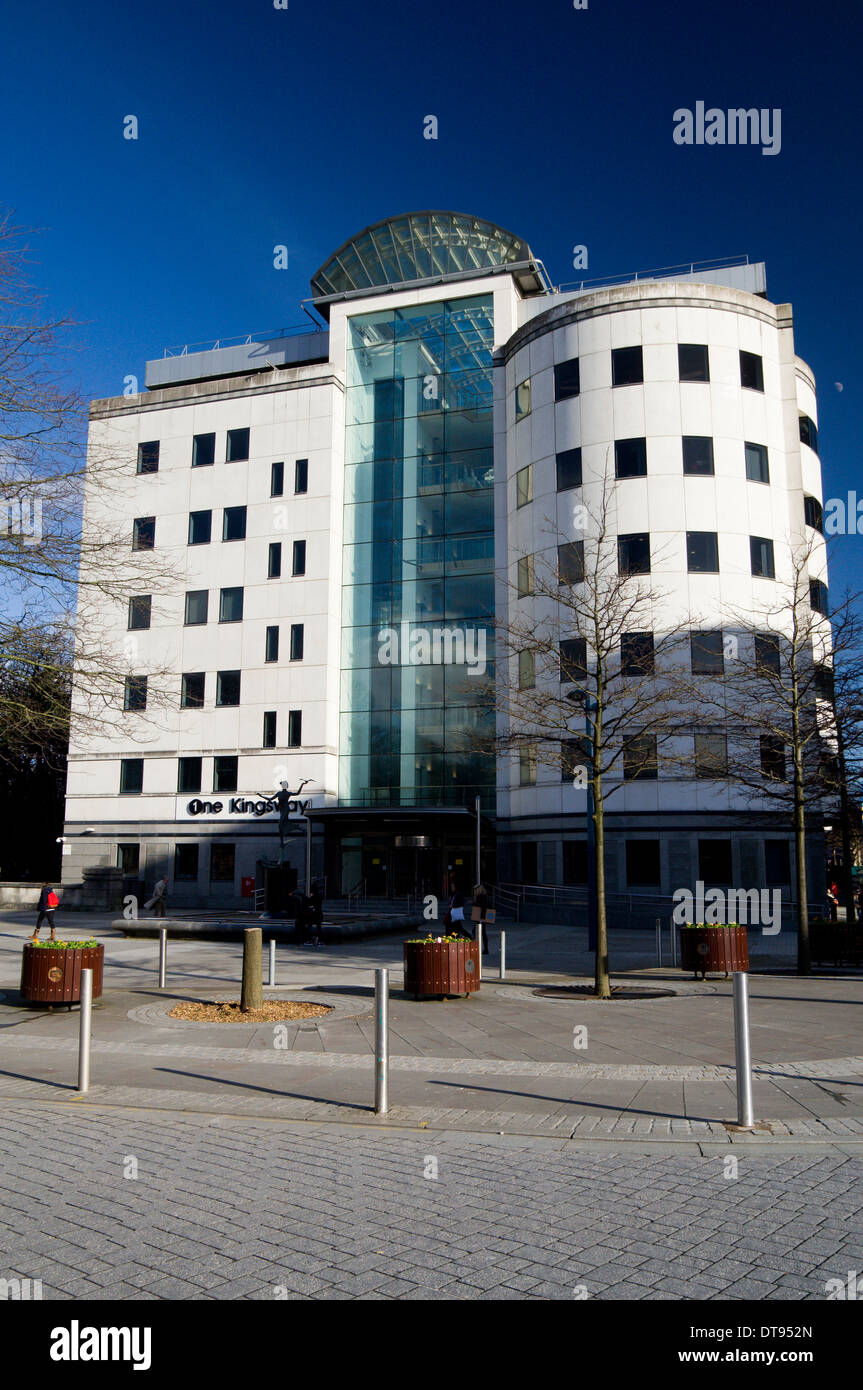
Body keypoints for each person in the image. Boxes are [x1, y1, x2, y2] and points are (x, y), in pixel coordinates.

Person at [472, 883, 490, 955]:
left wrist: (481, 918)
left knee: (478, 932)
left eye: (475, 890)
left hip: (480, 917)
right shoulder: (484, 896)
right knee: (482, 933)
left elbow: (481, 907)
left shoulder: (480, 896)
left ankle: (481, 948)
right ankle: (485, 949)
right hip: (481, 917)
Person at [309, 882, 325, 949]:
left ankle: (310, 939)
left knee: (309, 926)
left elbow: (312, 905)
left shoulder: (313, 897)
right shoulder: (319, 896)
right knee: (319, 927)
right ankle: (320, 940)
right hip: (319, 914)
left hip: (314, 914)